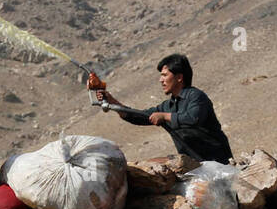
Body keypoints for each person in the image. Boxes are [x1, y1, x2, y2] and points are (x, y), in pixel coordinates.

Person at [96, 54, 233, 163]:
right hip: (195, 166)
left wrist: (165, 117)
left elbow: (193, 118)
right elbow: (138, 116)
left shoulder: (196, 96)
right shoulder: (167, 105)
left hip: (218, 163)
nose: (161, 80)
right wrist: (112, 102)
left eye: (165, 75)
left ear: (179, 77)